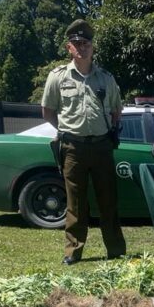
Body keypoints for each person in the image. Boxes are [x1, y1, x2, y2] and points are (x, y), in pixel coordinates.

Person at [41, 19, 127, 265]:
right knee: (75, 203)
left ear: (92, 47)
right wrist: (66, 131)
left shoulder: (106, 79)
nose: (81, 47)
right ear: (69, 48)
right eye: (76, 43)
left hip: (101, 146)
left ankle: (116, 251)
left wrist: (110, 131)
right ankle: (73, 252)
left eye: (86, 43)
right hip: (73, 148)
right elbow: (47, 112)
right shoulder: (57, 77)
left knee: (108, 200)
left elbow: (116, 111)